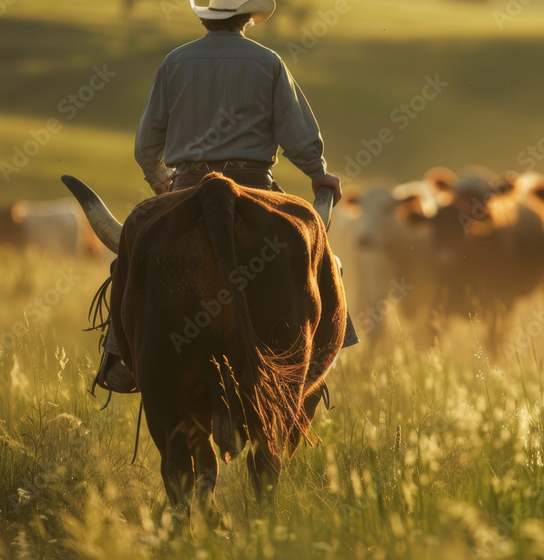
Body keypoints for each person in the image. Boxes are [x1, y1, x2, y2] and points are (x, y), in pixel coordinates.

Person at [94, 0, 354, 394]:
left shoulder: (174, 62)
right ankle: (321, 351)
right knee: (321, 259)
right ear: (248, 17)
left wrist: (162, 183)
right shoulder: (268, 62)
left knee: (131, 258)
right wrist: (319, 175)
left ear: (206, 17)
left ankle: (119, 357)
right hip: (256, 185)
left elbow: (146, 147)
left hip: (186, 186)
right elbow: (299, 136)